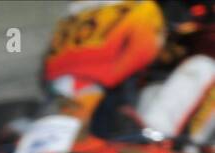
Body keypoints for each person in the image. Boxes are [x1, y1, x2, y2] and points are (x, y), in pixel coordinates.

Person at [40, 1, 215, 144]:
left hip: (187, 119)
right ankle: (60, 131)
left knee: (203, 68)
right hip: (126, 101)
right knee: (150, 91)